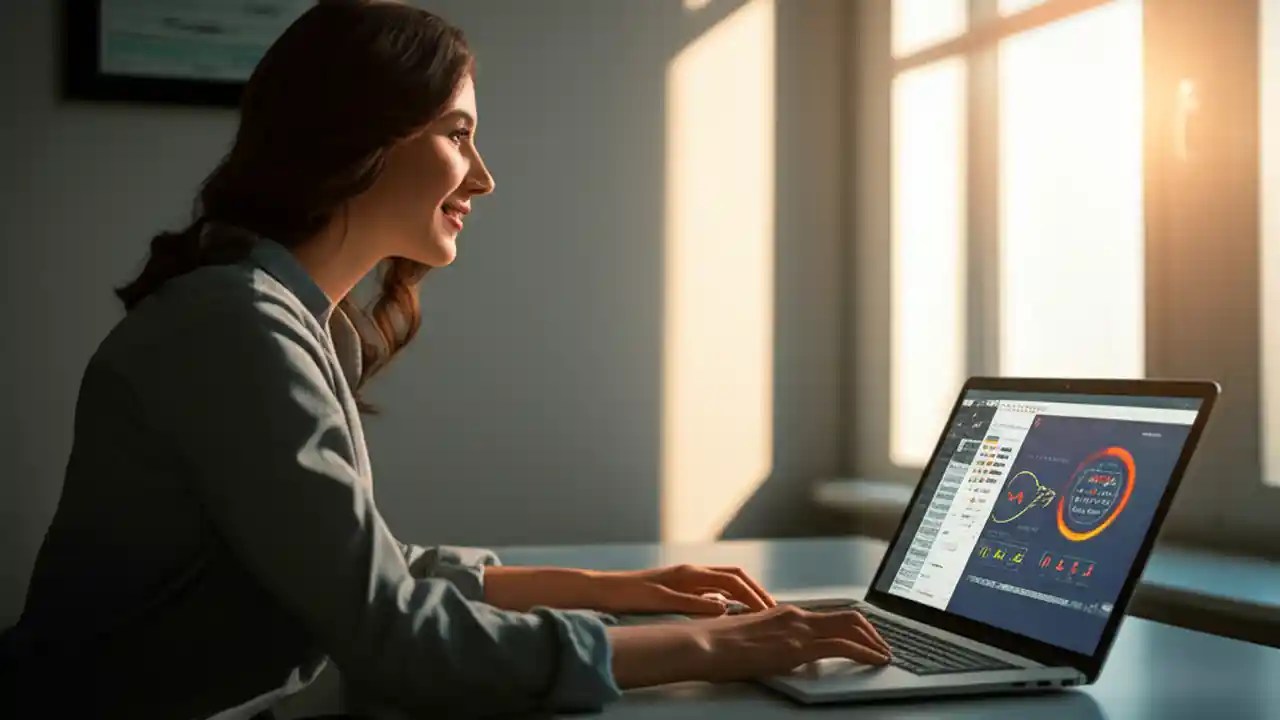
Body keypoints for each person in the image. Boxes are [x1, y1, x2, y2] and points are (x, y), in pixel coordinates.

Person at [0, 2, 890, 718]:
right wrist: (724, 646)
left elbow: (374, 569)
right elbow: (399, 635)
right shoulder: (236, 328)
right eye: (458, 134)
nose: (484, 177)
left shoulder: (274, 317)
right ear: (361, 138)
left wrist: (626, 587)